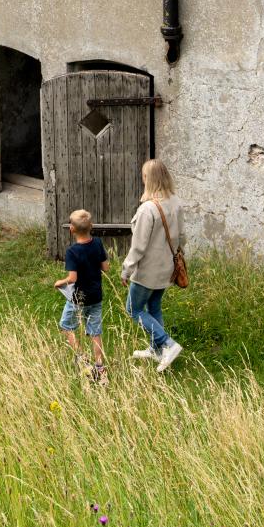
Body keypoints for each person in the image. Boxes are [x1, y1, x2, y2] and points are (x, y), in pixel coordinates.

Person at [122, 158, 186, 372]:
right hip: (167, 268)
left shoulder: (147, 209)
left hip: (147, 271)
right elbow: (182, 237)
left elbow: (138, 246)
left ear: (148, 179)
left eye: (144, 176)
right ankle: (156, 349)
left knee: (133, 309)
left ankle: (167, 344)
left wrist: (126, 269)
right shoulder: (176, 202)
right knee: (154, 307)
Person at [53, 209, 110, 382]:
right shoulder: (98, 243)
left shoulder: (72, 251)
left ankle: (82, 360)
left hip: (79, 298)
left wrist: (59, 283)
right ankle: (100, 368)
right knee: (95, 332)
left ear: (71, 229)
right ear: (91, 226)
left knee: (66, 326)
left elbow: (72, 279)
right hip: (96, 296)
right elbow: (105, 268)